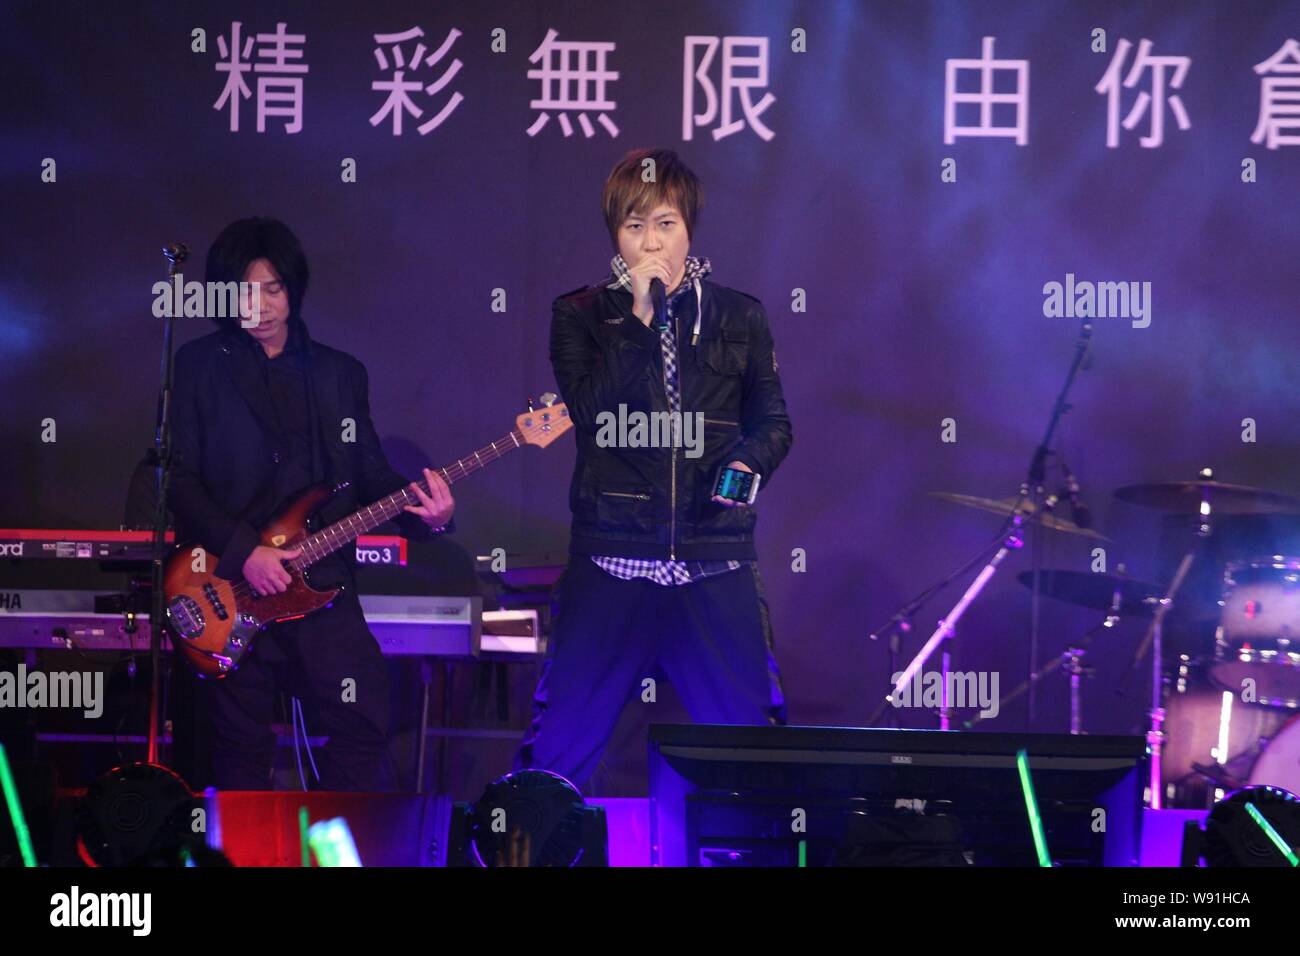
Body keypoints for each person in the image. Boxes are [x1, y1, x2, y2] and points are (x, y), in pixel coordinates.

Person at [516, 148, 793, 791]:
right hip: (614, 562)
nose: (651, 242)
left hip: (712, 562)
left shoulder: (740, 316)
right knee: (558, 753)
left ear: (690, 227)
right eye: (634, 226)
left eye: (665, 223)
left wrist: (745, 469)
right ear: (615, 234)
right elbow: (589, 411)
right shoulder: (581, 315)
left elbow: (773, 423)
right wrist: (639, 322)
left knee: (754, 760)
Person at [169, 216, 454, 790]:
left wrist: (430, 517)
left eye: (272, 288)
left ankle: (326, 846)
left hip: (319, 581)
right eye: (245, 291)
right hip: (231, 586)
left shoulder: (339, 375)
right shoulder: (200, 366)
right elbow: (178, 482)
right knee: (236, 747)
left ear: (293, 289)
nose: (261, 305)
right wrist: (245, 552)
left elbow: (370, 476)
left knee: (364, 719)